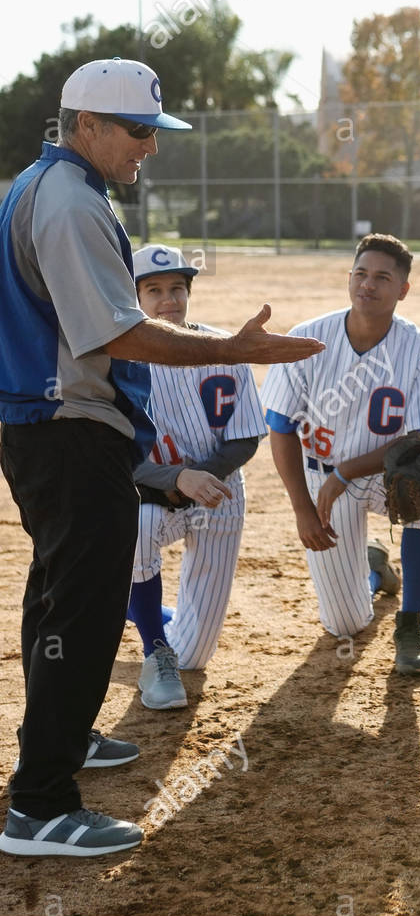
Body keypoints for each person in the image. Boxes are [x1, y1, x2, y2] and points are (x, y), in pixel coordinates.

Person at [0, 58, 323, 858]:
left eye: (154, 131)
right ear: (86, 126)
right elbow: (117, 333)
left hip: (43, 422)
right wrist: (233, 347)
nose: (150, 146)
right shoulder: (72, 201)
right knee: (80, 604)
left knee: (58, 591)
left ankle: (61, 741)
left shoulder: (41, 186)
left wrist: (228, 345)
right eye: (137, 131)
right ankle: (39, 805)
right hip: (70, 424)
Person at [262, 233, 420, 676]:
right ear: (349, 278)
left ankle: (411, 622)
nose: (368, 284)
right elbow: (280, 428)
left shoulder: (419, 348)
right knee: (345, 624)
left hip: (389, 475)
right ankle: (373, 569)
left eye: (382, 277)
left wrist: (349, 470)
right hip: (320, 478)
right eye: (361, 274)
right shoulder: (308, 338)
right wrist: (302, 508)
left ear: (402, 290)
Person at [127, 243, 267, 710]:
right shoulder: (118, 359)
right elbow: (115, 453)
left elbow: (246, 436)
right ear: (133, 296)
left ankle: (139, 611)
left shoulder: (224, 349)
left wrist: (198, 479)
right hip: (150, 494)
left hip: (219, 494)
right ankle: (153, 647)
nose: (168, 300)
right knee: (136, 528)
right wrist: (177, 479)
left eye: (177, 289)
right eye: (154, 290)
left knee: (195, 656)